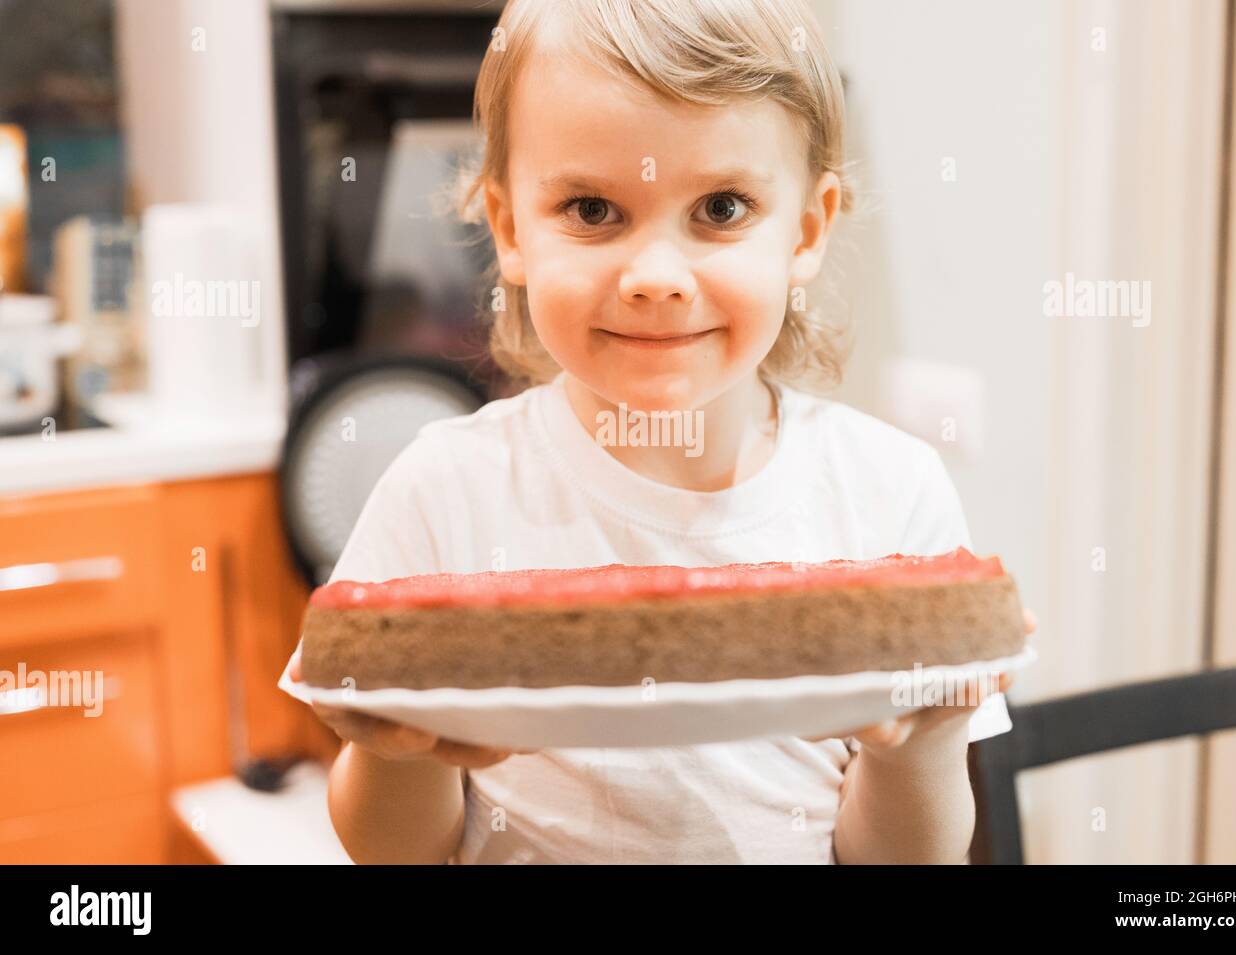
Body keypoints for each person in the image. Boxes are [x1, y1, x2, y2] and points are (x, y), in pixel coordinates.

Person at [285, 0, 1037, 864]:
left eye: (720, 207)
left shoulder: (889, 494)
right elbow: (396, 852)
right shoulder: (444, 490)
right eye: (593, 209)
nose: (655, 277)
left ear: (806, 229)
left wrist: (932, 731)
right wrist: (395, 743)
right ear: (508, 227)